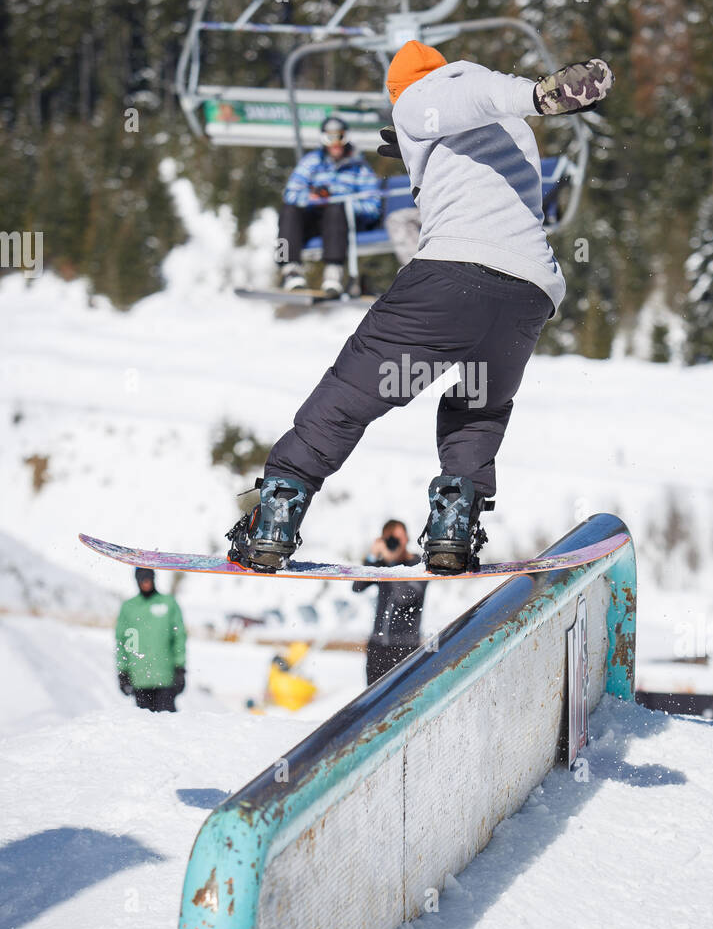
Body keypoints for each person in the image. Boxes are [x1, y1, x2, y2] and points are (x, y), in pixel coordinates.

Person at [228, 41, 614, 574]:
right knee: (477, 404)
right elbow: (467, 129)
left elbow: (469, 97)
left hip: (448, 287)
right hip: (525, 298)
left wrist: (533, 94)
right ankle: (453, 528)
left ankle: (273, 521)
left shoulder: (427, 95)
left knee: (349, 397)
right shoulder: (506, 130)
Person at [277, 114, 382, 296]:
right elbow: (290, 193)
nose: (335, 143)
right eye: (330, 138)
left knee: (335, 209)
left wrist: (340, 201)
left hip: (343, 223)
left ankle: (334, 271)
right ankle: (288, 267)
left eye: (340, 137)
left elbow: (373, 207)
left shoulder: (359, 167)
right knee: (289, 210)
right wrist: (312, 198)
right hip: (313, 218)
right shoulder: (312, 162)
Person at [352, 520, 429, 684]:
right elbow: (357, 587)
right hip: (377, 647)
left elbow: (405, 597)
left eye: (400, 538)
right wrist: (372, 557)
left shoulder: (418, 566)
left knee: (405, 697)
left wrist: (391, 563)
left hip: (405, 649)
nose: (398, 543)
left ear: (407, 538)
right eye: (392, 539)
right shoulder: (383, 566)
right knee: (374, 697)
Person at [115, 567, 187, 712]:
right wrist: (123, 671)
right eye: (142, 580)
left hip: (165, 677)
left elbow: (179, 637)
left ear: (153, 579)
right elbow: (122, 641)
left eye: (148, 579)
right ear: (137, 581)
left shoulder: (168, 603)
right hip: (139, 678)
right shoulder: (129, 607)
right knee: (145, 724)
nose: (145, 583)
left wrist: (180, 668)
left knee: (168, 722)